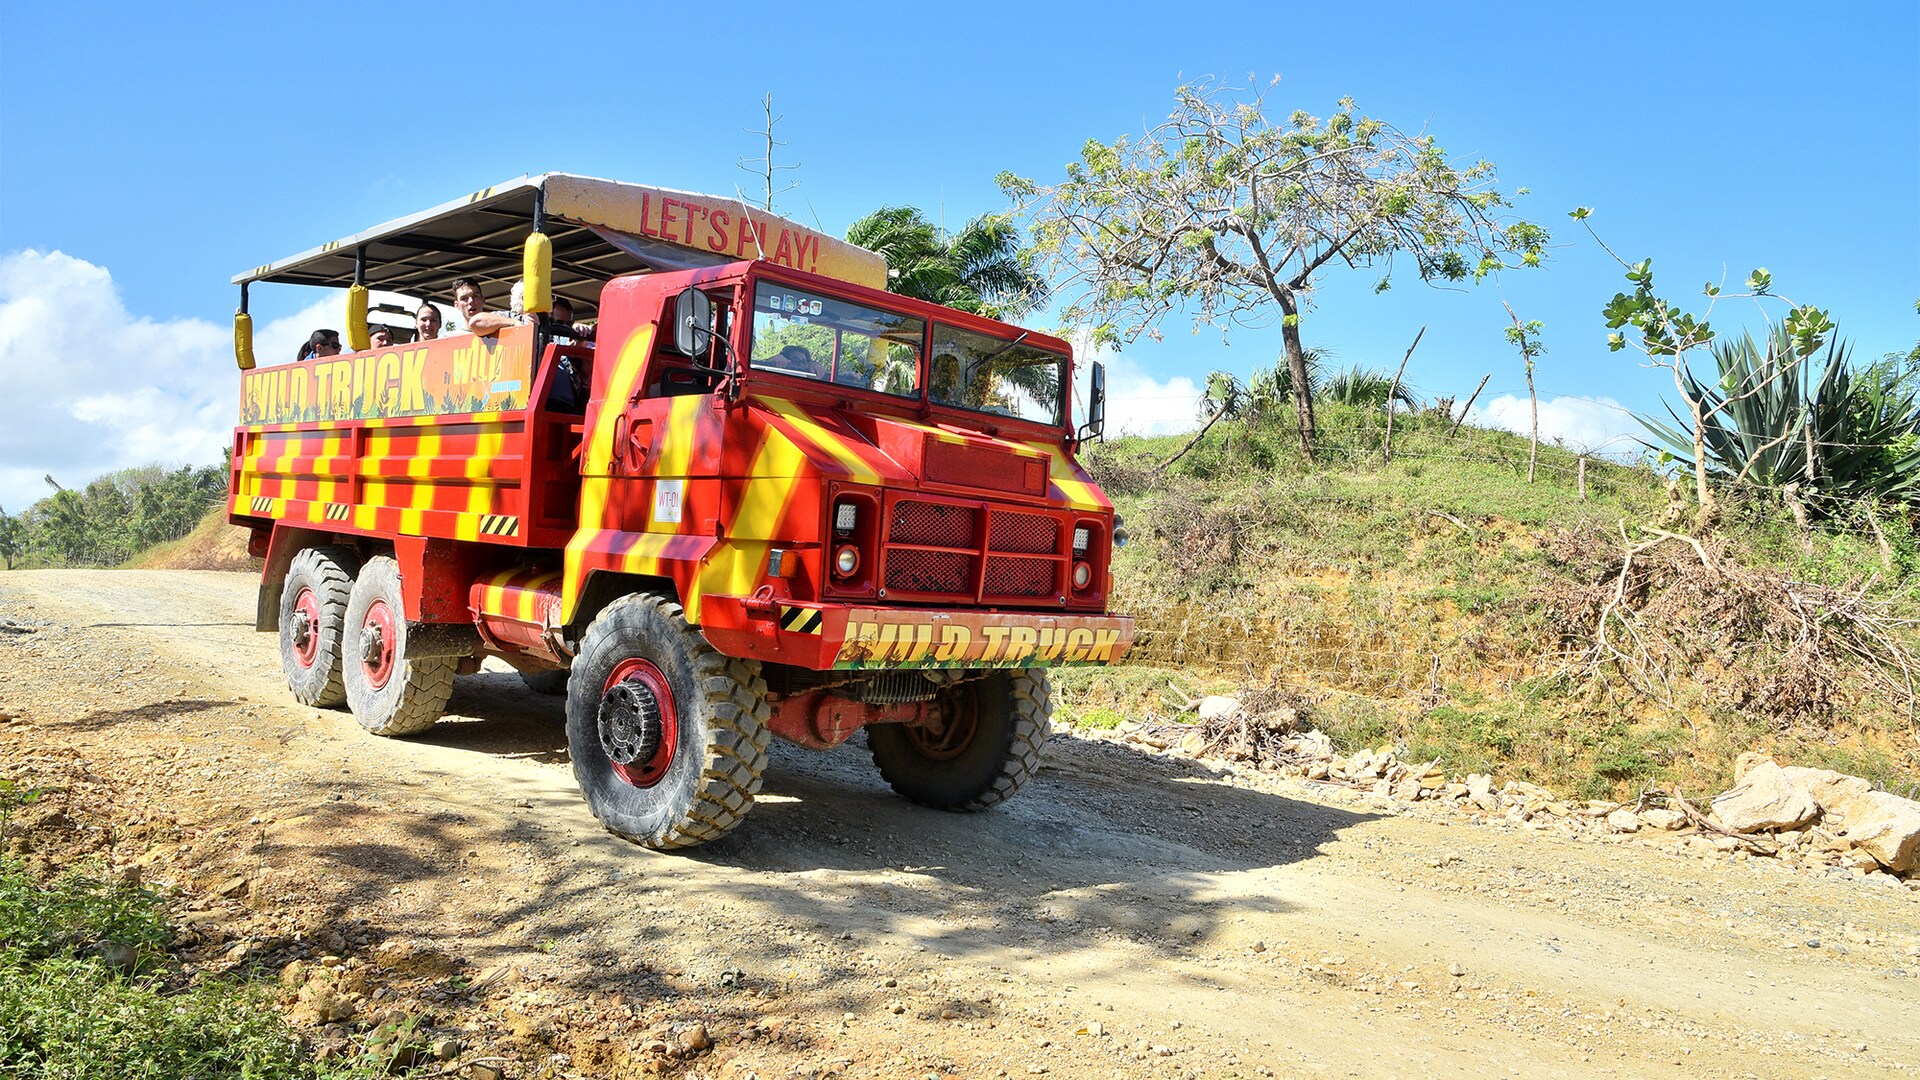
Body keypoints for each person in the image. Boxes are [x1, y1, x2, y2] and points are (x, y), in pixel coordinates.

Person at [453, 277, 519, 337]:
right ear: (457, 305)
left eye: (475, 296)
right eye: (464, 298)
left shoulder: (506, 318)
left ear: (483, 300)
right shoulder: (449, 339)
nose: (471, 301)